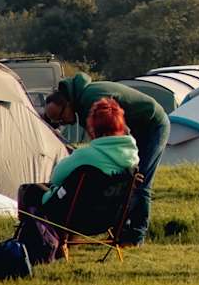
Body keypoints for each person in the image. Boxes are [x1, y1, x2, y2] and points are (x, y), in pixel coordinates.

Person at [42, 74, 168, 247]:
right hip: (134, 127)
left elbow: (120, 141)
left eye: (60, 116)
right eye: (55, 121)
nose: (61, 122)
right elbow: (103, 145)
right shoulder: (81, 103)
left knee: (140, 181)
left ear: (68, 103)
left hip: (153, 124)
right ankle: (121, 230)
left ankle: (135, 237)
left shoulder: (93, 101)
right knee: (123, 176)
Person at [13, 97, 139, 268]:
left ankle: (30, 245)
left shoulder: (85, 157)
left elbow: (56, 178)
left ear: (93, 128)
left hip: (76, 219)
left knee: (29, 191)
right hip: (108, 220)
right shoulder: (131, 162)